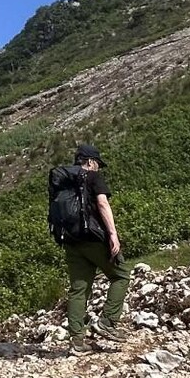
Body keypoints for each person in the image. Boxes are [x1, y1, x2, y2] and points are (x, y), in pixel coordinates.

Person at [60, 143, 131, 352]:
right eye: (98, 163)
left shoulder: (64, 182)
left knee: (78, 289)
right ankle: (107, 322)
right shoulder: (92, 177)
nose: (99, 167)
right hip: (93, 238)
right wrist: (112, 234)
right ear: (90, 162)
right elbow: (102, 204)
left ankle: (77, 341)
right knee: (121, 275)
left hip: (72, 241)